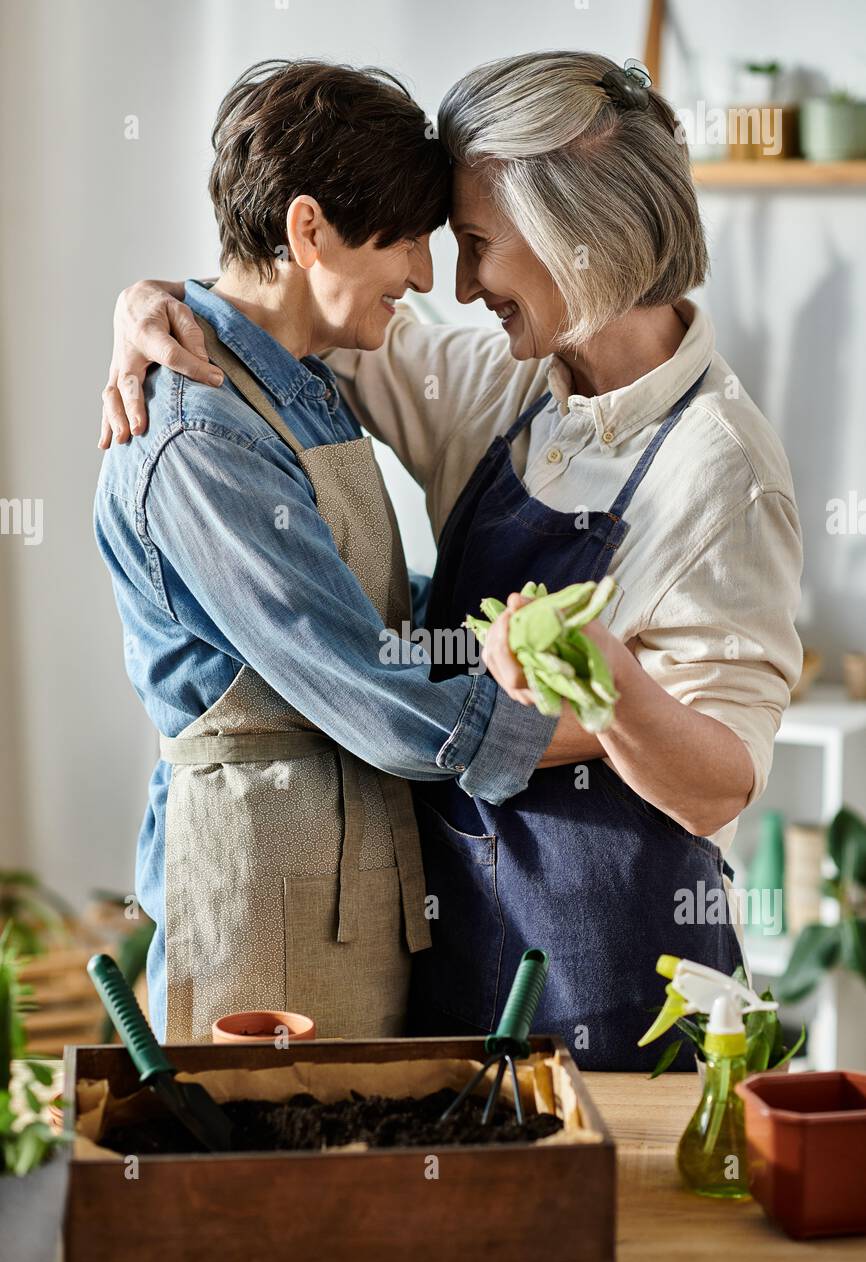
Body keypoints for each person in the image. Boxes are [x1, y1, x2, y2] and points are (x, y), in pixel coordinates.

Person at [100, 53, 802, 1069]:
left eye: (475, 243)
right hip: (448, 949)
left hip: (612, 959)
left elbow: (717, 786)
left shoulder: (720, 470)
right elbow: (293, 303)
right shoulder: (495, 383)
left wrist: (608, 693)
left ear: (579, 240)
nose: (458, 285)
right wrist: (150, 304)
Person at [94, 59, 584, 1046]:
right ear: (308, 228)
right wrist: (602, 726)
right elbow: (369, 687)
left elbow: (363, 607)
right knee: (261, 1194)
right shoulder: (195, 434)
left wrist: (494, 635)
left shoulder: (304, 377)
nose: (420, 273)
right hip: (251, 908)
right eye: (404, 240)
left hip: (342, 887)